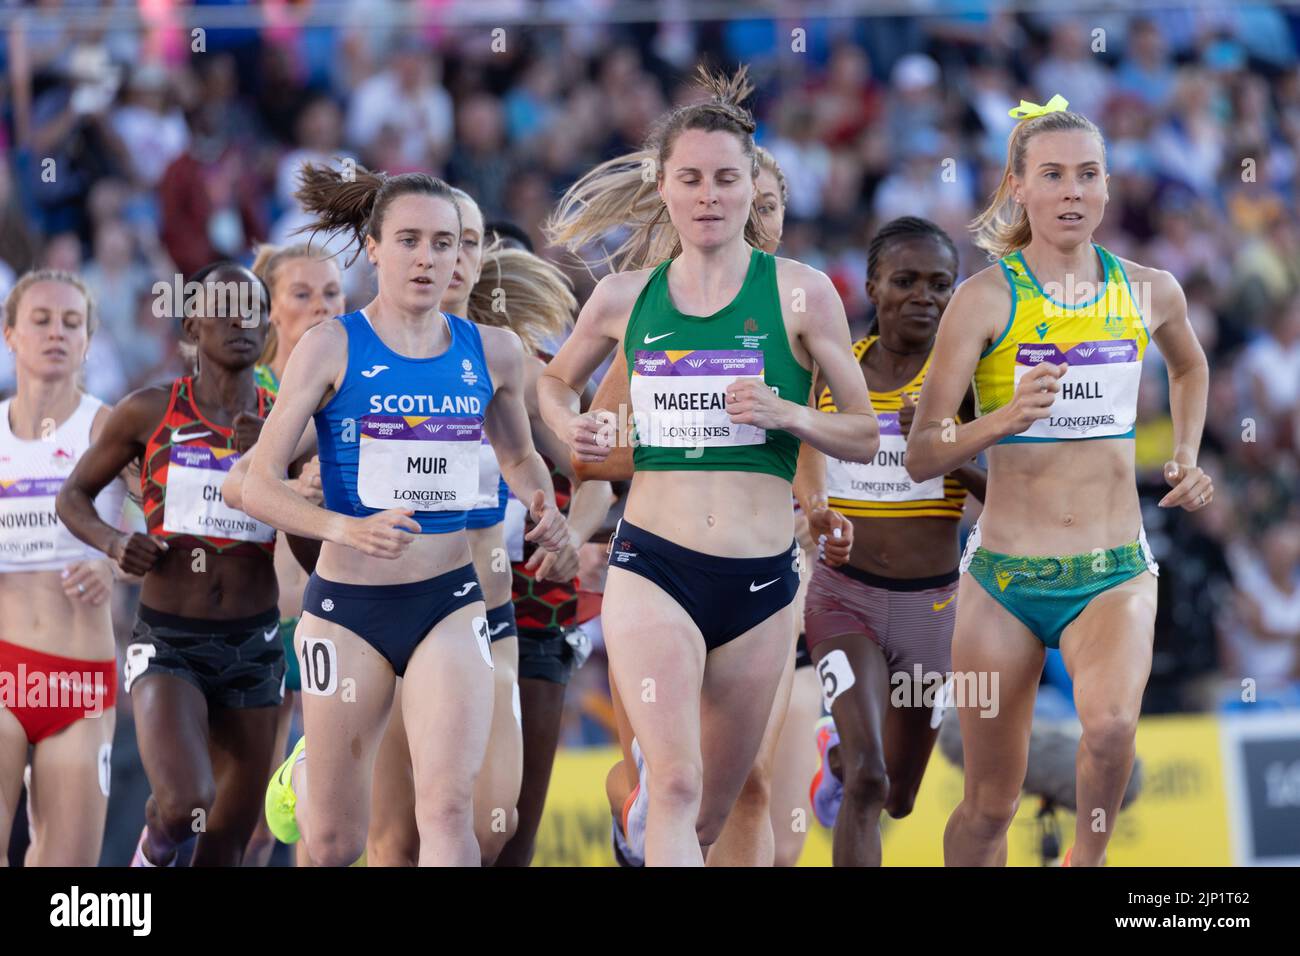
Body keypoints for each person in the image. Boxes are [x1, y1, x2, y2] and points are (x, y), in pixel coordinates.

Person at [540, 66, 877, 866]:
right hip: (654, 566)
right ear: (664, 187)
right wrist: (572, 428)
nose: (710, 195)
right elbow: (554, 382)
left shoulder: (803, 297)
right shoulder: (626, 299)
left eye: (727, 179)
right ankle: (652, 811)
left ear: (751, 184)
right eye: (690, 178)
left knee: (709, 815)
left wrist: (786, 412)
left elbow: (865, 432)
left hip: (762, 585)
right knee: (679, 782)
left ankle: (638, 834)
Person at [903, 96, 1212, 867]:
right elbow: (922, 452)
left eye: (1088, 175)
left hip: (1113, 572)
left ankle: (1086, 860)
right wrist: (999, 420)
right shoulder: (983, 299)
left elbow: (1189, 364)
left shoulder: (1148, 290)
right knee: (989, 806)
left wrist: (1188, 453)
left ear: (1108, 189)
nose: (1072, 191)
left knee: (1109, 729)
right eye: (1053, 175)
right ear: (1019, 188)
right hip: (1003, 579)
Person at [243, 164, 570, 867]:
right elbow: (253, 484)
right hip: (346, 607)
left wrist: (545, 507)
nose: (427, 258)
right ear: (374, 246)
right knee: (334, 842)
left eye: (444, 243)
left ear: (463, 255)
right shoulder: (331, 346)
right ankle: (302, 773)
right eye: (410, 241)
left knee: (450, 812)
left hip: (449, 603)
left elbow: (518, 459)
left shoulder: (493, 353)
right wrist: (342, 526)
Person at [365, 189, 611, 867]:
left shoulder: (523, 371)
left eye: (468, 246)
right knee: (397, 838)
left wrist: (570, 532)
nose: (454, 260)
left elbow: (597, 478)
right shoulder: (364, 351)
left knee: (504, 836)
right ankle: (317, 760)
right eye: (446, 243)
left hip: (525, 613)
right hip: (400, 608)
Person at [58, 261, 282, 867]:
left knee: (226, 846)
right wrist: (112, 543)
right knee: (185, 804)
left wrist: (276, 472)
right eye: (225, 305)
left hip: (255, 647)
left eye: (255, 307)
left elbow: (312, 553)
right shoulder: (148, 411)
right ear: (192, 323)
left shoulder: (288, 425)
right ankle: (149, 853)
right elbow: (71, 497)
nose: (242, 318)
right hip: (171, 641)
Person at [799, 216, 987, 866]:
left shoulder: (965, 385)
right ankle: (847, 762)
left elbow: (1009, 499)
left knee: (899, 795)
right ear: (872, 286)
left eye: (940, 284)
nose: (923, 297)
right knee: (870, 778)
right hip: (841, 599)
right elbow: (797, 471)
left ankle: (833, 767)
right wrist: (813, 515)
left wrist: (939, 451)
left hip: (932, 610)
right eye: (904, 281)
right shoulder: (831, 372)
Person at [0, 270, 126, 866]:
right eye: (42, 320)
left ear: (87, 341)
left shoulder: (108, 428)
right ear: (10, 336)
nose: (57, 332)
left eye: (72, 323)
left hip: (80, 678)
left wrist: (116, 555)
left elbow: (167, 517)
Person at [241, 243, 343, 867]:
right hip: (253, 620)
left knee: (324, 810)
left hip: (331, 614)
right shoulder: (243, 390)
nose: (318, 307)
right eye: (301, 294)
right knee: (250, 821)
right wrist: (285, 490)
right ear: (268, 309)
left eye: (331, 293)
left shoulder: (355, 379)